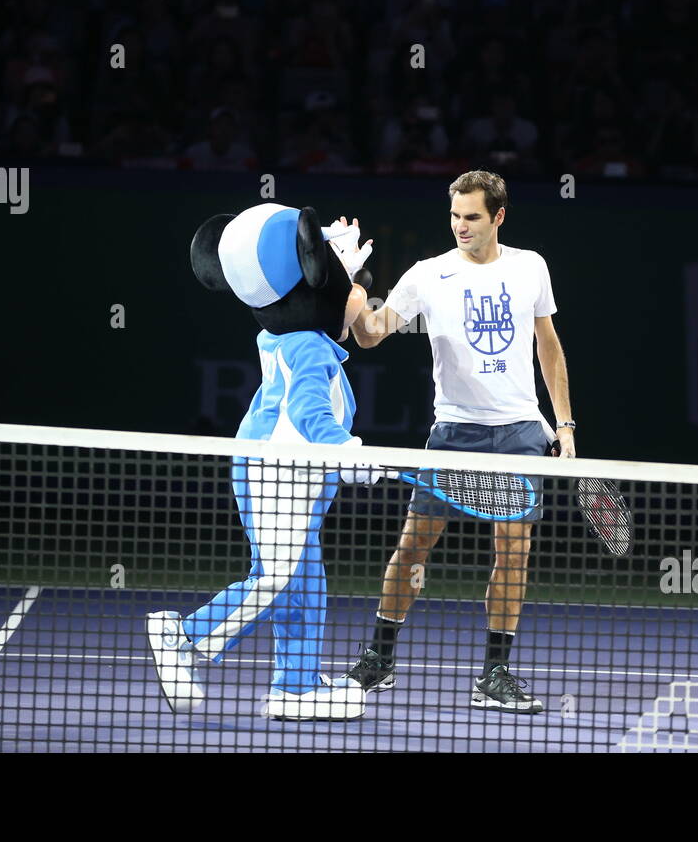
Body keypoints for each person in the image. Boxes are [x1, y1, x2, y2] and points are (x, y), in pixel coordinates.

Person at [337, 169, 574, 712]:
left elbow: (550, 349)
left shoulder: (529, 267)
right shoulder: (427, 275)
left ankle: (495, 672)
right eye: (454, 216)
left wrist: (564, 426)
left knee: (514, 550)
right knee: (414, 544)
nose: (461, 227)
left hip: (518, 431)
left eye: (472, 217)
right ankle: (379, 658)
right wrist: (350, 284)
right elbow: (371, 334)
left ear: (498, 217)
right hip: (453, 432)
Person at [145, 202, 378, 721]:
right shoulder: (310, 351)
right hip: (275, 476)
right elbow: (309, 410)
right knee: (275, 576)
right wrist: (346, 452)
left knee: (302, 582)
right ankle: (182, 636)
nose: (362, 297)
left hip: (287, 476)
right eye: (353, 287)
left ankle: (294, 687)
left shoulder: (287, 336)